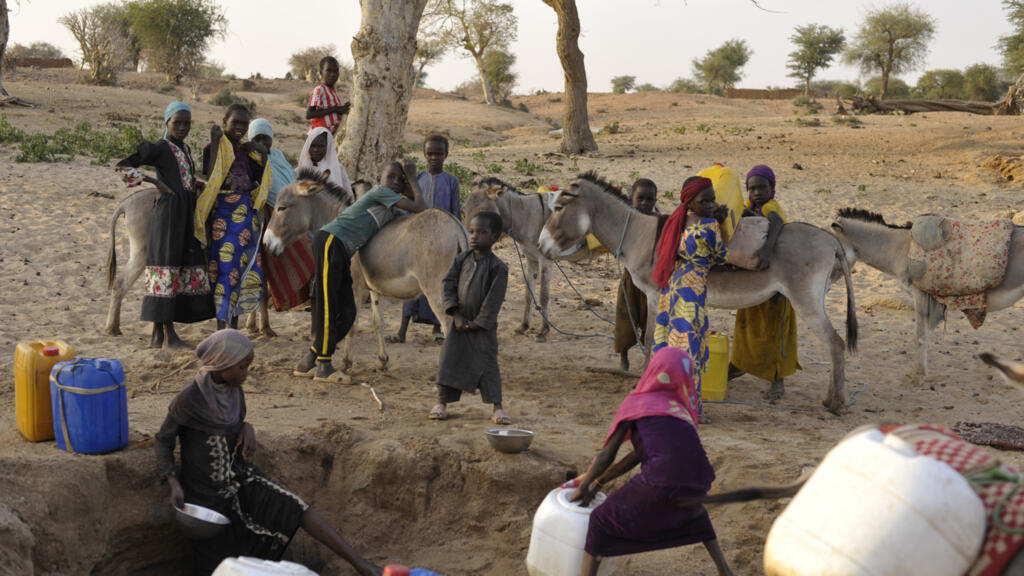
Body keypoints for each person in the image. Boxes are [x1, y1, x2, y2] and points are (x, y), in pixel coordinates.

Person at [155, 330, 380, 576]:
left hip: (239, 478)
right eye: (241, 367)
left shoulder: (234, 392)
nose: (245, 374)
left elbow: (233, 424)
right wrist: (173, 483)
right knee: (217, 564)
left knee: (294, 506)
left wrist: (245, 426)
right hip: (205, 496)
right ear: (222, 364)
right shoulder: (189, 399)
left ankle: (361, 565)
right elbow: (163, 440)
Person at [569, 347, 734, 576]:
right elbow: (641, 453)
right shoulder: (681, 410)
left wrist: (584, 486)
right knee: (694, 513)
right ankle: (725, 571)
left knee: (599, 522)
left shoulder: (638, 403)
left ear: (654, 369)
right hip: (699, 477)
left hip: (662, 476)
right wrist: (601, 481)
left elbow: (607, 455)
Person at [293, 160, 426, 383]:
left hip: (342, 252)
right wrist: (411, 178)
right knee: (330, 304)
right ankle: (324, 367)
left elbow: (419, 213)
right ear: (379, 180)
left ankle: (309, 359)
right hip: (330, 242)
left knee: (347, 313)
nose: (394, 182)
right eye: (390, 177)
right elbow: (420, 207)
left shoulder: (390, 211)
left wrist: (408, 187)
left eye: (399, 180)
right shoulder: (380, 192)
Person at [115, 101, 214, 348]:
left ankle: (159, 335)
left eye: (186, 123)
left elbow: (186, 180)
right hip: (168, 215)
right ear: (166, 123)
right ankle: (168, 335)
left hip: (184, 214)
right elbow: (124, 165)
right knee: (165, 269)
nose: (182, 127)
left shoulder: (185, 149)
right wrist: (153, 181)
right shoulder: (160, 147)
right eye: (177, 122)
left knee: (175, 269)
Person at [652, 176, 728, 421]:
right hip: (692, 294)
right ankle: (692, 410)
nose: (709, 205)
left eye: (712, 200)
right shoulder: (710, 226)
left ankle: (664, 401)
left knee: (668, 345)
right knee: (690, 349)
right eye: (704, 201)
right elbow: (721, 255)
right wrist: (722, 222)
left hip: (671, 290)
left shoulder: (676, 221)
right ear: (690, 201)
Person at [429, 211, 510, 424]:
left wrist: (479, 322)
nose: (474, 236)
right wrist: (455, 314)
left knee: (488, 365)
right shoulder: (461, 259)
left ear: (495, 238)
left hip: (483, 327)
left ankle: (497, 407)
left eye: (482, 232)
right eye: (471, 231)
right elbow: (448, 285)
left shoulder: (498, 268)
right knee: (449, 361)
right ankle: (441, 403)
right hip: (459, 322)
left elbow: (494, 300)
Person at [730, 165, 800, 401]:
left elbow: (777, 223)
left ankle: (777, 379)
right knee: (747, 324)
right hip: (755, 278)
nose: (757, 192)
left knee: (774, 331)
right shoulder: (751, 209)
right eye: (752, 188)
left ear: (773, 188)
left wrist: (768, 249)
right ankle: (740, 364)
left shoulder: (771, 207)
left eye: (762, 187)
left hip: (776, 278)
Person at [199, 104, 272, 330]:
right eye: (235, 123)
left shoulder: (248, 154)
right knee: (223, 270)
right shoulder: (212, 148)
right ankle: (222, 328)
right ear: (224, 123)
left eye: (244, 124)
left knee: (240, 271)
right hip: (222, 215)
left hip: (245, 219)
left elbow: (259, 180)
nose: (240, 127)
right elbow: (211, 177)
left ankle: (234, 326)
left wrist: (261, 151)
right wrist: (214, 140)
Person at [389, 134, 462, 345]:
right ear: (424, 154)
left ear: (446, 155)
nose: (434, 158)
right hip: (415, 241)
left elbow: (455, 213)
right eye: (430, 154)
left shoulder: (451, 181)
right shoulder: (417, 179)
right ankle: (402, 330)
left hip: (441, 242)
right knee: (413, 284)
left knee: (439, 285)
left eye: (439, 154)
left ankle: (437, 329)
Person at [614, 178, 659, 371]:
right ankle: (624, 357)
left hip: (652, 280)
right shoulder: (625, 221)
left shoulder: (658, 220)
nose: (645, 204)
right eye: (640, 199)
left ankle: (649, 357)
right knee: (626, 317)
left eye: (650, 200)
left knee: (650, 320)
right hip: (630, 279)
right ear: (631, 198)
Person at [246, 118, 295, 209]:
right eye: (257, 139)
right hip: (272, 205)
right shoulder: (251, 158)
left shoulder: (277, 154)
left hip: (293, 195)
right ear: (250, 141)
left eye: (265, 138)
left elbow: (290, 173)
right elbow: (264, 182)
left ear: (271, 138)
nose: (261, 143)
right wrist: (264, 154)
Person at [298, 127, 353, 205]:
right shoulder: (299, 171)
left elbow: (348, 197)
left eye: (320, 146)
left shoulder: (338, 169)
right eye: (312, 146)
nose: (315, 150)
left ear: (328, 146)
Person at [307, 56, 350, 134]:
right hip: (320, 136)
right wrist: (336, 109)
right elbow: (309, 114)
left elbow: (330, 112)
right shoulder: (320, 89)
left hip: (330, 136)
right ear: (321, 72)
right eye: (328, 71)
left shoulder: (332, 92)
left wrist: (342, 109)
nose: (332, 74)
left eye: (335, 71)